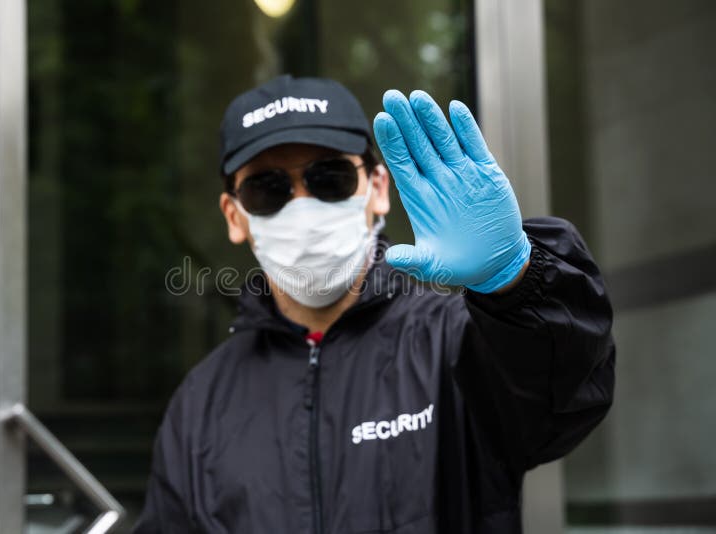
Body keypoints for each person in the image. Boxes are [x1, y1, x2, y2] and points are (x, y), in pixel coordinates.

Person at [133, 75, 615, 533]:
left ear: (378, 189)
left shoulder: (460, 341)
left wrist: (515, 280)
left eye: (330, 177)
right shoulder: (200, 405)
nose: (302, 205)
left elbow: (564, 398)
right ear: (234, 215)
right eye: (268, 188)